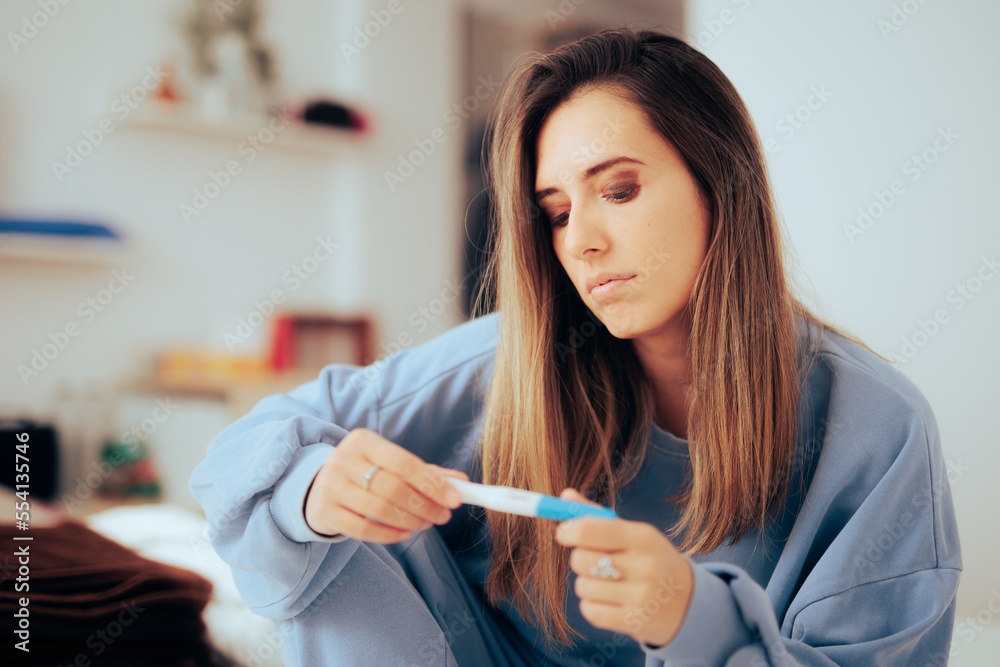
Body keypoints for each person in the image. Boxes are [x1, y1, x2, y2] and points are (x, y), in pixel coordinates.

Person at [190, 28, 962, 666]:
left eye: (619, 190)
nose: (583, 242)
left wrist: (695, 620)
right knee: (327, 518)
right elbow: (242, 456)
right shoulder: (502, 366)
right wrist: (316, 492)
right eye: (555, 212)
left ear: (719, 183)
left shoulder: (878, 432)